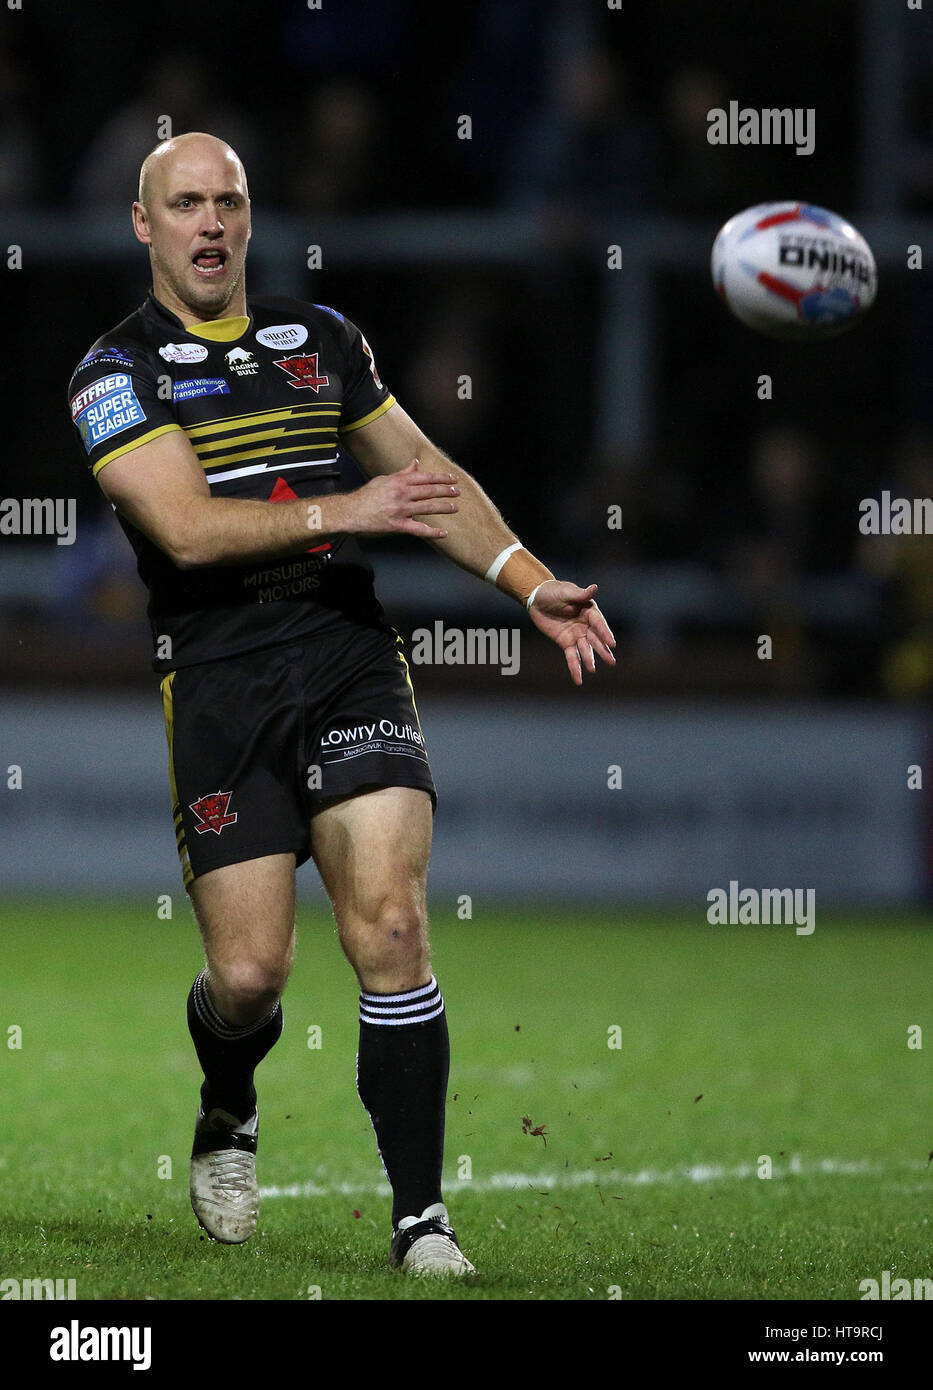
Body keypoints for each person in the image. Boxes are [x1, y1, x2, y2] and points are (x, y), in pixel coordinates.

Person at [66, 132, 615, 1277]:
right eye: (186, 205)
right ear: (143, 225)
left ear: (251, 219)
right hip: (219, 679)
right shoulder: (114, 374)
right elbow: (186, 530)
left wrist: (528, 581)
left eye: (229, 202)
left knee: (393, 926)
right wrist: (350, 508)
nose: (210, 225)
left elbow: (428, 481)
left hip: (346, 654)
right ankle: (228, 1104)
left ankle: (422, 1220)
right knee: (251, 974)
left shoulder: (322, 342)